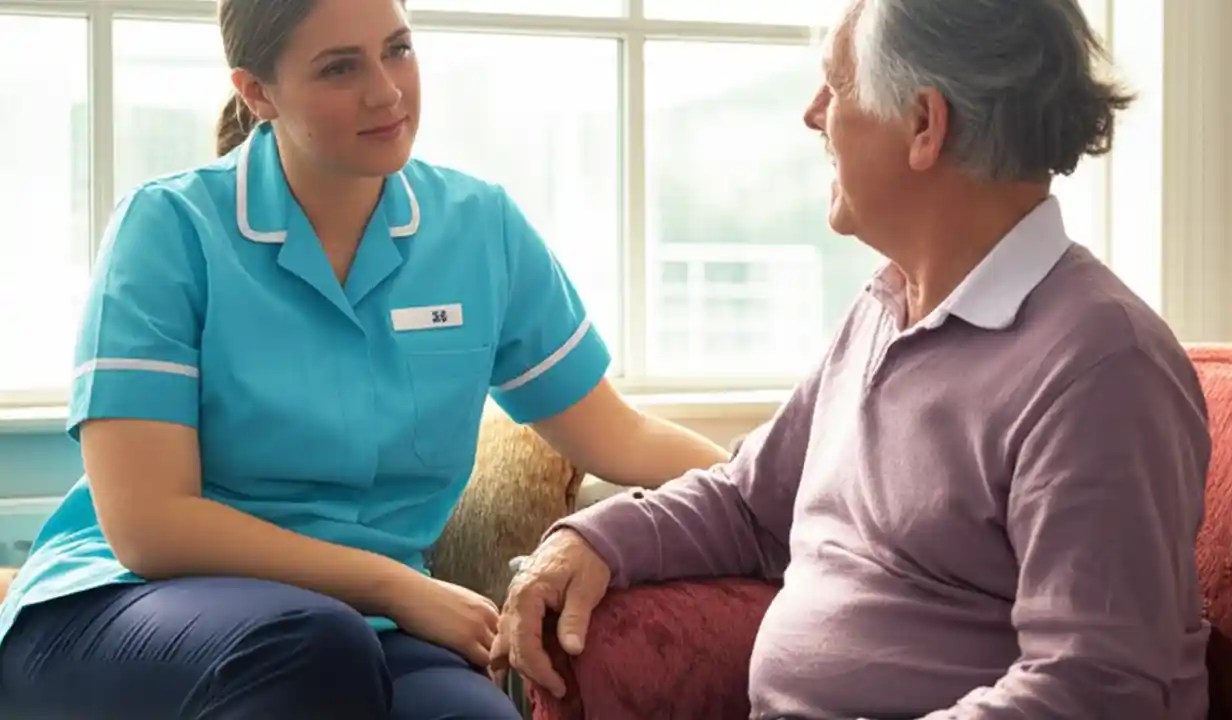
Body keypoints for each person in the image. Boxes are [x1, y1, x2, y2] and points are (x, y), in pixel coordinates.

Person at [0, 0, 730, 718]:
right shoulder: (167, 229)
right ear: (256, 92)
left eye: (398, 49)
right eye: (340, 67)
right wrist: (393, 585)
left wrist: (776, 496)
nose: (385, 91)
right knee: (315, 648)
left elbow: (619, 435)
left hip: (368, 629)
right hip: (123, 605)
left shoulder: (481, 229)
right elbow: (150, 526)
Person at [494, 1, 1213, 718]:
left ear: (925, 126)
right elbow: (753, 506)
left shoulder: (1102, 368)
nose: (814, 115)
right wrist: (590, 540)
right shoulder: (885, 309)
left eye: (836, 86)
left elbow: (1096, 687)